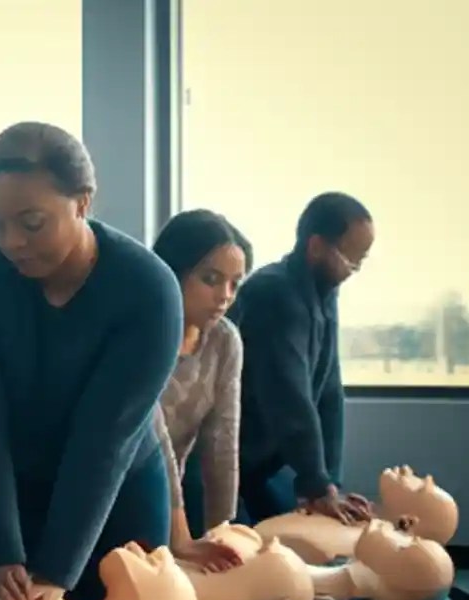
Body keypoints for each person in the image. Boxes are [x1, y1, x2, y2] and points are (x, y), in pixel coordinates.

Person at [0, 122, 183, 600]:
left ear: (83, 202)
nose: (11, 242)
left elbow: (104, 439)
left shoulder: (148, 290)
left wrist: (57, 570)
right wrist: (0, 555)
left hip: (113, 485)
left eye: (31, 223)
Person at [227, 191, 375, 525]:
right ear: (317, 246)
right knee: (255, 558)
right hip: (228, 462)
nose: (354, 270)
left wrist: (329, 481)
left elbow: (328, 392)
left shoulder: (323, 294)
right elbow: (288, 398)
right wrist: (316, 484)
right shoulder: (274, 295)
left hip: (268, 461)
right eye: (351, 259)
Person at [150, 210, 252, 572]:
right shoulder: (141, 332)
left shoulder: (224, 340)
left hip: (172, 500)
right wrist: (180, 539)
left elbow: (222, 442)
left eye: (235, 284)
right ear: (172, 272)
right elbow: (156, 441)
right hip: (117, 495)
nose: (225, 296)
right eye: (211, 279)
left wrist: (221, 533)